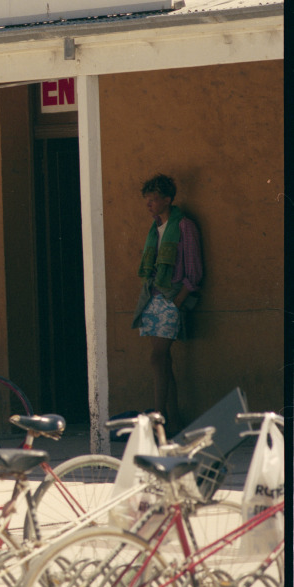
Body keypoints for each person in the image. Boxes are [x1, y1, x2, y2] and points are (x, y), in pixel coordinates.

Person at [131, 174, 203, 437]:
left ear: (168, 200)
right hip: (152, 296)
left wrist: (178, 300)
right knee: (163, 361)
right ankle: (172, 422)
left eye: (154, 199)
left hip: (170, 297)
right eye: (147, 199)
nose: (149, 203)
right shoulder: (155, 227)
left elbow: (194, 270)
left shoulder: (184, 226)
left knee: (157, 357)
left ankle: (156, 421)